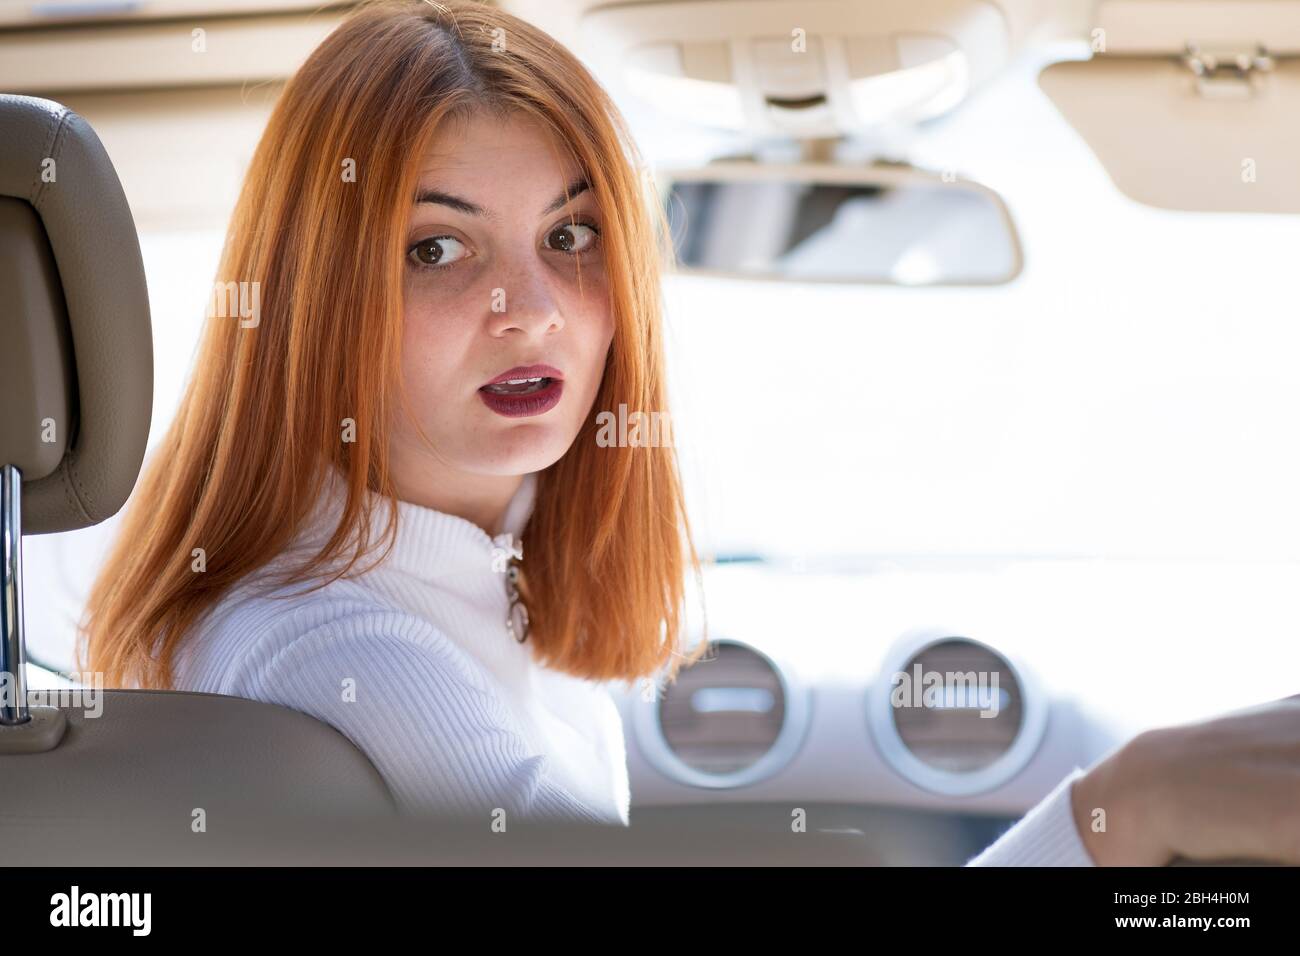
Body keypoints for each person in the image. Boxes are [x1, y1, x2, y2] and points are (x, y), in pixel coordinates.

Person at [79, 0, 1300, 864]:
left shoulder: (433, 587)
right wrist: (1117, 813)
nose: (535, 310)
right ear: (309, 293)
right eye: (436, 247)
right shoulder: (339, 645)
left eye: (570, 235)